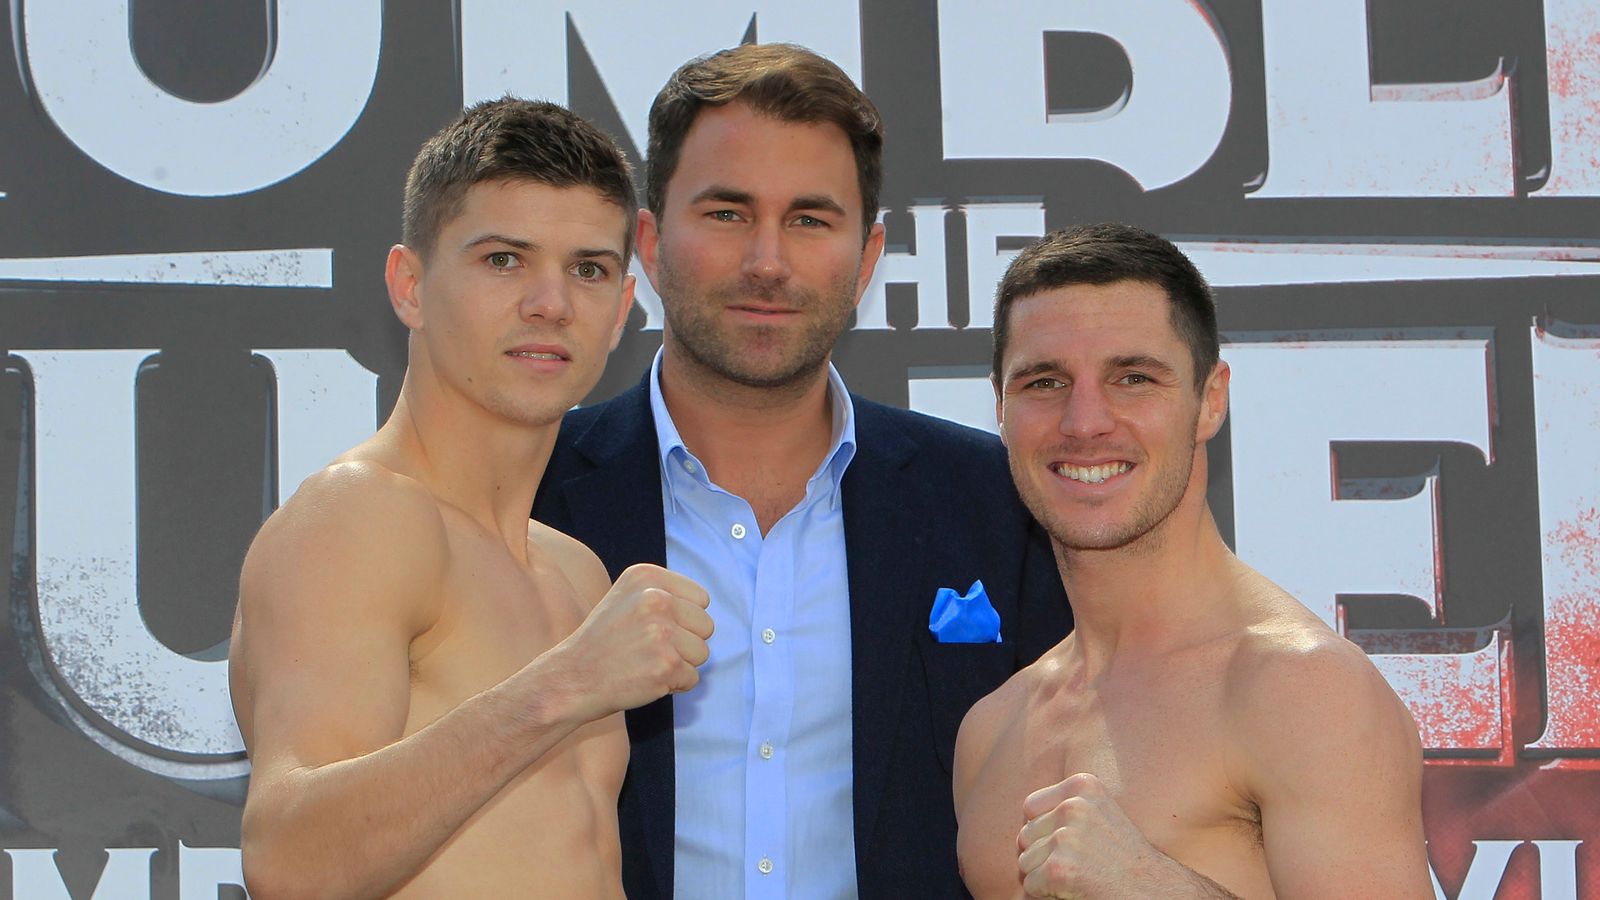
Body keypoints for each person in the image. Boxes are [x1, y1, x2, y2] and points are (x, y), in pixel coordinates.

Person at [532, 43, 1071, 899]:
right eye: (727, 213)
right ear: (648, 244)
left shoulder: (996, 503)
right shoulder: (527, 493)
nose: (768, 262)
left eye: (811, 219)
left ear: (867, 259)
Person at [228, 98, 714, 899]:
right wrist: (563, 685)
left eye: (587, 269)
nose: (550, 303)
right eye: (503, 260)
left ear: (624, 307)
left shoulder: (573, 571)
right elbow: (290, 858)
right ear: (410, 285)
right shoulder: (361, 517)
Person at [955, 223, 1432, 898]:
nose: (1085, 421)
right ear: (1000, 405)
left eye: (1133, 378)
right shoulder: (992, 728)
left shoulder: (1300, 689)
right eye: (1044, 382)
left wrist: (1150, 885)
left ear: (1210, 399)